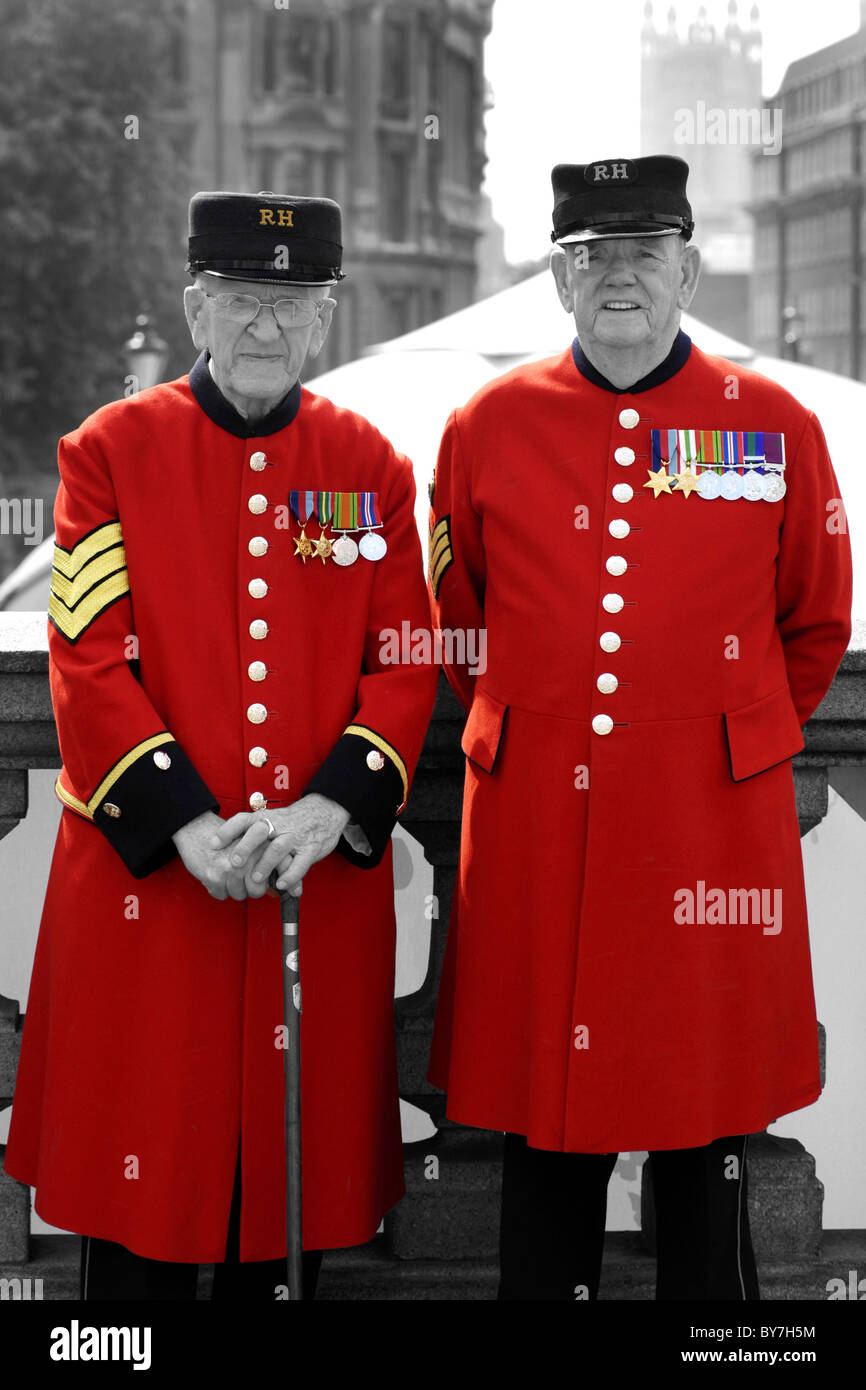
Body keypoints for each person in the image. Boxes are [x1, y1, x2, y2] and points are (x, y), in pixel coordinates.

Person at [426, 155, 853, 1301]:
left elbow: (813, 621)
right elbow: (455, 622)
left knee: (702, 1125)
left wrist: (712, 745)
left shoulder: (771, 423)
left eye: (642, 255)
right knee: (540, 1124)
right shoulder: (484, 424)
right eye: (590, 258)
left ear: (688, 270)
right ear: (559, 282)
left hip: (706, 830)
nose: (617, 277)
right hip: (531, 829)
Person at [4, 190, 438, 1300]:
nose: (265, 328)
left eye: (292, 304)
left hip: (312, 881)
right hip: (151, 882)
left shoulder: (373, 468)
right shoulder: (107, 451)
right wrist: (183, 820)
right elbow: (86, 656)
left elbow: (404, 654)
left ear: (325, 318)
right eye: (244, 298)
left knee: (286, 1205)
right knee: (135, 1200)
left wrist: (331, 807)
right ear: (197, 305)